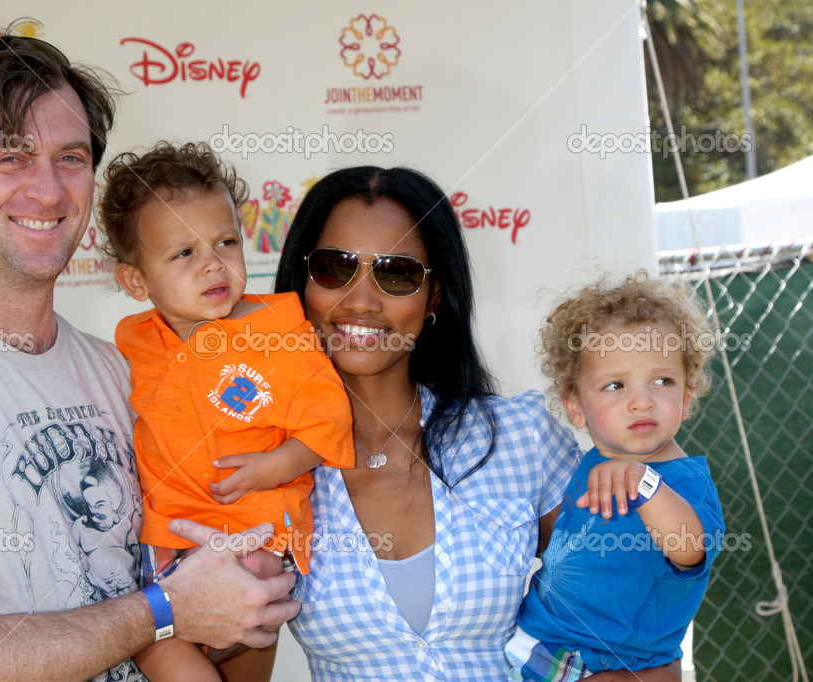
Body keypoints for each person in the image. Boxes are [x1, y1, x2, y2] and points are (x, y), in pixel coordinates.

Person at [0, 28, 298, 682]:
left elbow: (216, 612)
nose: (48, 190)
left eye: (70, 157)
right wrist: (166, 609)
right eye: (10, 156)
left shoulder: (123, 370)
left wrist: (245, 594)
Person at [273, 165, 685, 681]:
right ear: (301, 283)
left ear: (435, 297)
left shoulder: (519, 436)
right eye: (335, 267)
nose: (361, 299)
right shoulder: (267, 468)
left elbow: (634, 596)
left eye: (397, 272)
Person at [97, 141, 356, 681]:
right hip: (170, 536)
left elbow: (329, 419)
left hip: (256, 537)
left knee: (248, 638)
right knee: (160, 648)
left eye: (225, 242)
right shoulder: (135, 342)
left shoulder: (280, 333)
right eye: (183, 253)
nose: (213, 264)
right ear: (135, 281)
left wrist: (277, 465)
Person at [505, 273, 725, 680]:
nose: (642, 401)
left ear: (687, 398)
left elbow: (691, 548)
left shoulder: (683, 480)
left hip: (603, 663)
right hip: (540, 644)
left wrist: (644, 483)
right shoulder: (587, 463)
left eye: (662, 381)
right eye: (615, 385)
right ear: (575, 407)